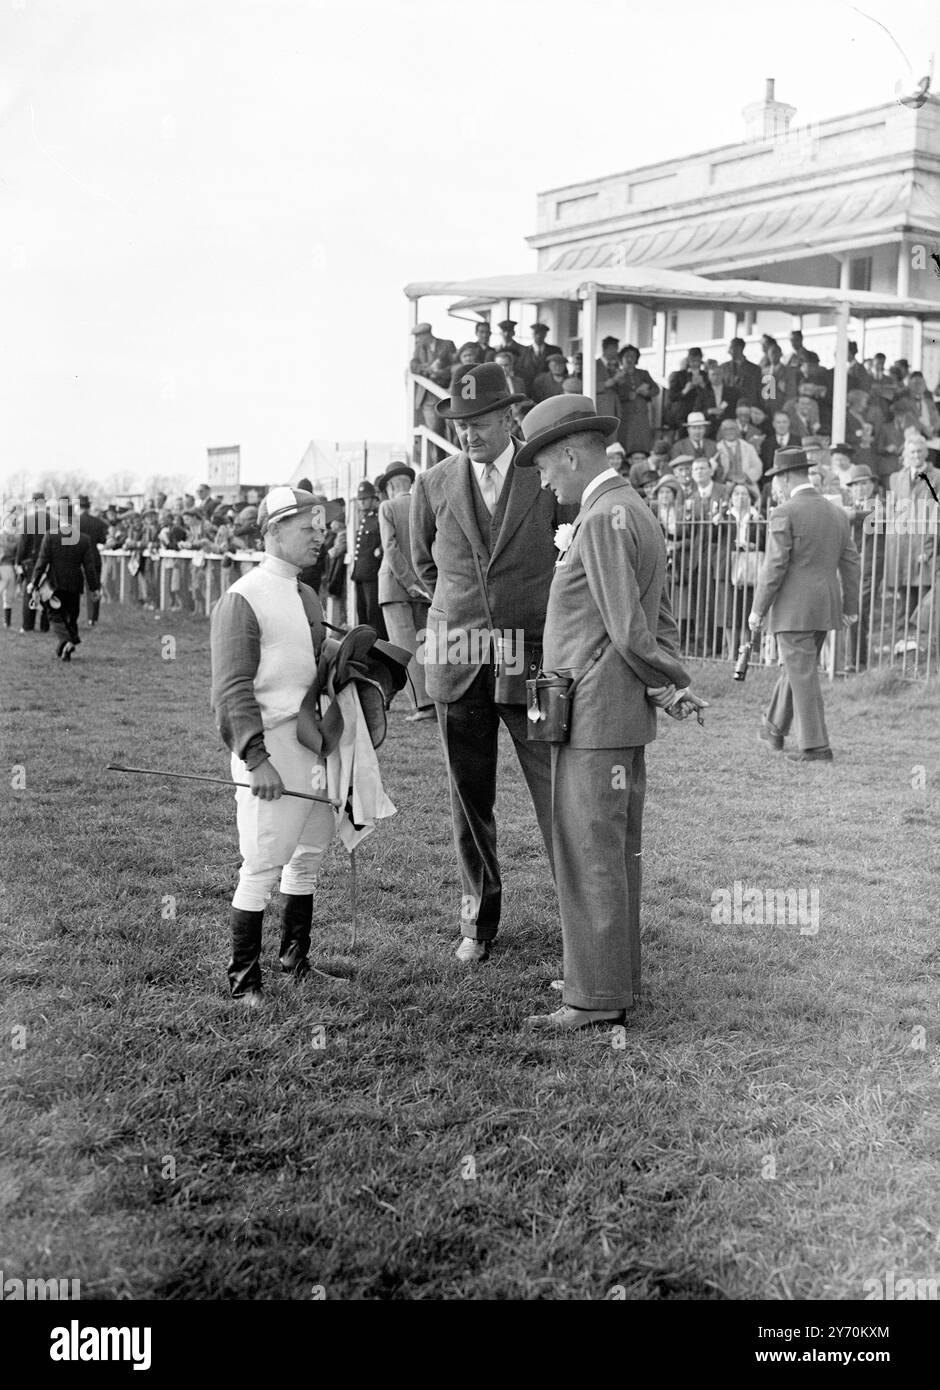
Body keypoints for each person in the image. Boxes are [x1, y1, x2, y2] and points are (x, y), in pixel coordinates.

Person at [511, 394, 701, 1032]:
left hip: (590, 715)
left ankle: (593, 1000)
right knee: (615, 855)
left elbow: (627, 629)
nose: (543, 480)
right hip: (613, 717)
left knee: (588, 853)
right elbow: (658, 617)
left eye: (543, 465)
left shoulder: (600, 518)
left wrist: (669, 679)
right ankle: (607, 978)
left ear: (570, 453)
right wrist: (667, 686)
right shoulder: (632, 510)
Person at [410, 362, 572, 963]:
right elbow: (421, 568)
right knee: (468, 798)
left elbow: (571, 556)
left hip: (530, 656)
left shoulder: (546, 475)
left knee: (557, 791)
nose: (469, 434)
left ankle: (579, 927)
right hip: (457, 657)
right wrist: (458, 613)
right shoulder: (433, 483)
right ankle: (478, 924)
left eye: (480, 422)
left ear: (509, 417)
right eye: (460, 423)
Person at [209, 487, 335, 1006]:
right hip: (269, 747)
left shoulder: (307, 594)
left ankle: (295, 958)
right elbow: (231, 689)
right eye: (309, 528)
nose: (319, 537)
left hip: (312, 741)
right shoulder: (243, 596)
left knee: (306, 855)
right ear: (274, 531)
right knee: (261, 863)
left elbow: (312, 662)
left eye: (322, 529)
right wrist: (254, 758)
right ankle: (244, 982)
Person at [749, 447, 860, 763]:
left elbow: (774, 567)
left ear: (784, 477)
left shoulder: (784, 512)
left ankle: (816, 747)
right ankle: (773, 728)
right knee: (799, 669)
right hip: (825, 606)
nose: (777, 485)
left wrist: (758, 609)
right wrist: (850, 605)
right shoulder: (837, 513)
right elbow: (851, 562)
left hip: (793, 609)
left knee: (802, 673)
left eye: (776, 479)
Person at [378, 462, 434, 722]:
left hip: (395, 587)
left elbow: (390, 550)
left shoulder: (387, 507)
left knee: (404, 648)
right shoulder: (425, 504)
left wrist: (408, 581)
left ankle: (422, 705)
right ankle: (431, 700)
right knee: (425, 646)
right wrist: (422, 582)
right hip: (425, 586)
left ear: (390, 486)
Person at [883, 436, 939, 651]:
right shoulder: (895, 478)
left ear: (925, 453)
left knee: (924, 595)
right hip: (902, 545)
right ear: (905, 455)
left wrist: (928, 546)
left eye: (919, 451)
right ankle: (901, 642)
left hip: (924, 544)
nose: (915, 456)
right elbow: (894, 511)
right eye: (911, 452)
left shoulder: (937, 477)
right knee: (903, 597)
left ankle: (922, 644)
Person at [33, 500, 100, 660]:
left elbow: (42, 562)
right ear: (73, 518)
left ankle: (67, 641)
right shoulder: (83, 539)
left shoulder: (50, 536)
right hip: (75, 584)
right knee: (71, 616)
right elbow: (89, 568)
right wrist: (94, 588)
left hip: (55, 584)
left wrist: (34, 582)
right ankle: (66, 647)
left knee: (55, 615)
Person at [843, 463, 885, 670]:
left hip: (869, 566)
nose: (860, 488)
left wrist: (852, 516)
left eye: (864, 483)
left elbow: (879, 515)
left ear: (872, 485)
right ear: (850, 489)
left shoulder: (879, 503)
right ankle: (849, 660)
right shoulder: (846, 506)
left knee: (858, 609)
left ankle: (857, 662)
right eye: (856, 485)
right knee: (849, 610)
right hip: (846, 566)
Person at [351, 480, 385, 636]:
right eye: (360, 499)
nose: (362, 502)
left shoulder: (380, 516)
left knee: (374, 615)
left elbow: (387, 541)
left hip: (372, 574)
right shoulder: (364, 519)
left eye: (365, 499)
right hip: (361, 573)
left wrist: (380, 550)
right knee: (362, 612)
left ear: (373, 499)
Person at [612, 344, 659, 454]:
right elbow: (613, 393)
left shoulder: (643, 373)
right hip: (625, 412)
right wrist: (626, 396)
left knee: (642, 437)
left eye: (632, 356)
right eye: (626, 356)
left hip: (641, 412)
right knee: (626, 438)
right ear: (621, 358)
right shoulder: (617, 375)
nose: (629, 359)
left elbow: (656, 389)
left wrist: (646, 392)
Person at [77, 496, 108, 626]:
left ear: (79, 507)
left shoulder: (76, 522)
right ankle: (93, 618)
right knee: (94, 588)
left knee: (76, 589)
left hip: (79, 558)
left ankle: (73, 616)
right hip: (94, 557)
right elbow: (103, 540)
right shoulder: (98, 522)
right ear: (89, 507)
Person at [1, 504, 19, 629]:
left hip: (5, 565)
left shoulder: (3, 535)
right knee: (8, 596)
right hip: (10, 566)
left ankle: (7, 622)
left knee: (7, 596)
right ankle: (7, 622)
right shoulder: (17, 536)